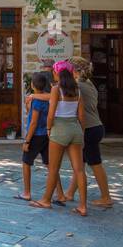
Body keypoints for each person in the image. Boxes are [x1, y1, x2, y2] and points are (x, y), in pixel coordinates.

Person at [31, 60, 88, 216]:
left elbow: (51, 114)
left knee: (53, 168)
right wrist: (80, 131)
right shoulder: (78, 90)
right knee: (79, 169)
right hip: (75, 128)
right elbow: (81, 115)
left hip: (60, 128)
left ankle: (46, 200)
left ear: (57, 73)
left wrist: (49, 128)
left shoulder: (56, 90)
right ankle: (83, 206)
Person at [63, 57, 114, 208]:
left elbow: (60, 95)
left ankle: (106, 197)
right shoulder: (89, 83)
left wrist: (35, 95)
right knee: (80, 163)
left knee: (95, 163)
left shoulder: (78, 86)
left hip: (89, 129)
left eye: (69, 70)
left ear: (76, 71)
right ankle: (70, 193)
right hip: (95, 127)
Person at [18, 71, 62, 202]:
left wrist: (27, 140)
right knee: (50, 166)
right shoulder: (47, 98)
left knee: (26, 162)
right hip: (47, 136)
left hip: (36, 135)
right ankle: (60, 194)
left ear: (32, 85)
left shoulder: (36, 100)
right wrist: (27, 106)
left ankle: (26, 192)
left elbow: (33, 122)